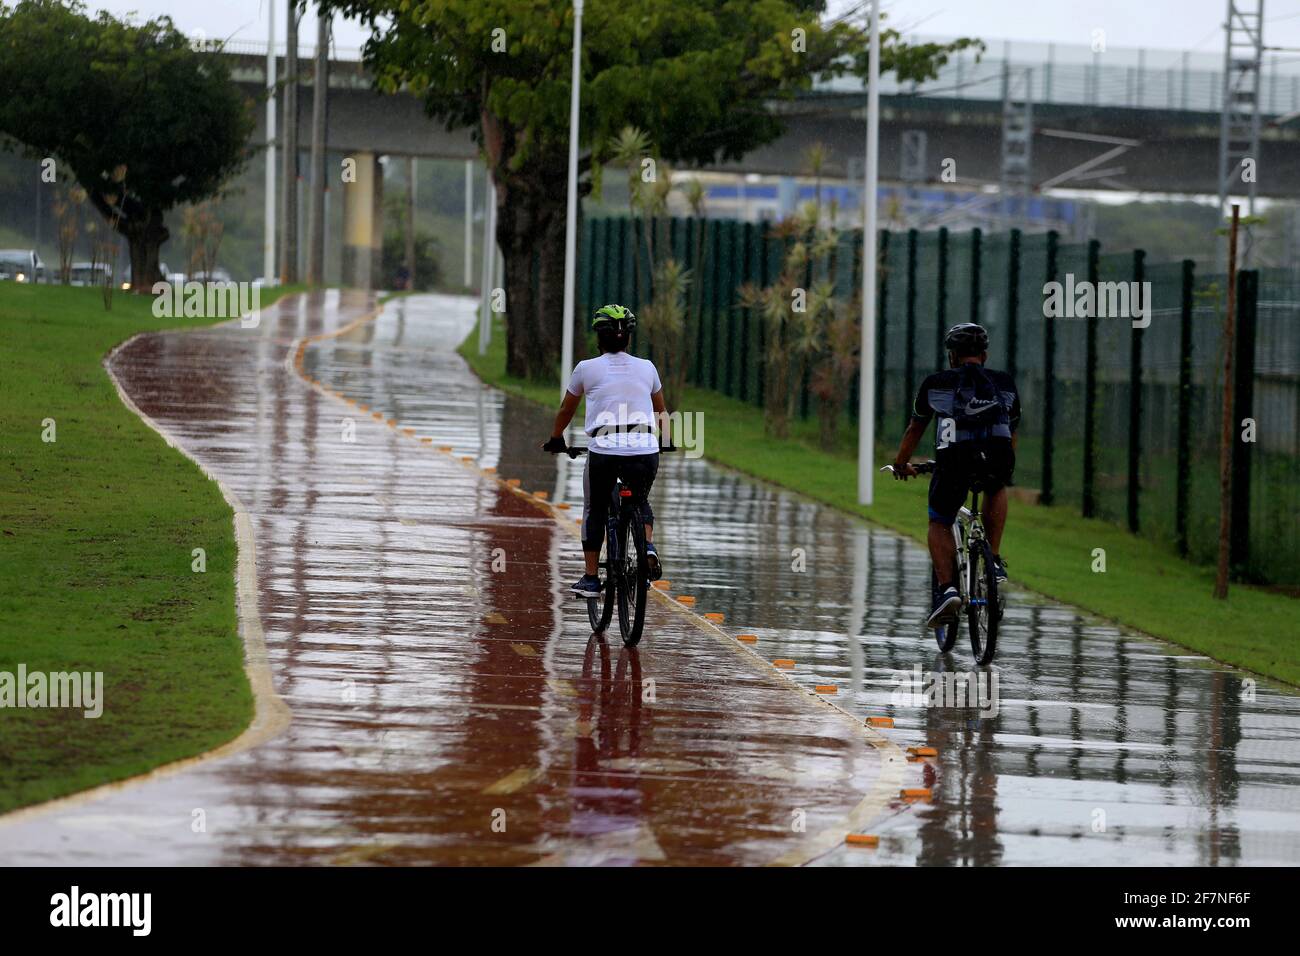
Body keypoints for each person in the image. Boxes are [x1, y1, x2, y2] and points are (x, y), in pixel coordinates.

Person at [890, 323, 1021, 628]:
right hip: (998, 455)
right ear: (984, 354)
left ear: (952, 356)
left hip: (956, 460)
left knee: (939, 518)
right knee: (996, 486)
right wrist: (1005, 465)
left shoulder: (936, 383)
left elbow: (915, 429)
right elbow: (1012, 429)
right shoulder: (1005, 383)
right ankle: (994, 560)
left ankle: (948, 589)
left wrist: (900, 464)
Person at [542, 304, 670, 598]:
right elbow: (661, 411)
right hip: (644, 449)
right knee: (640, 499)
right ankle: (647, 546)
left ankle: (590, 579)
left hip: (605, 451)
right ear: (628, 338)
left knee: (595, 508)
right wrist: (666, 440)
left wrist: (556, 438)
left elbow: (566, 410)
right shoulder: (648, 367)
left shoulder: (586, 369)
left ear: (599, 337)